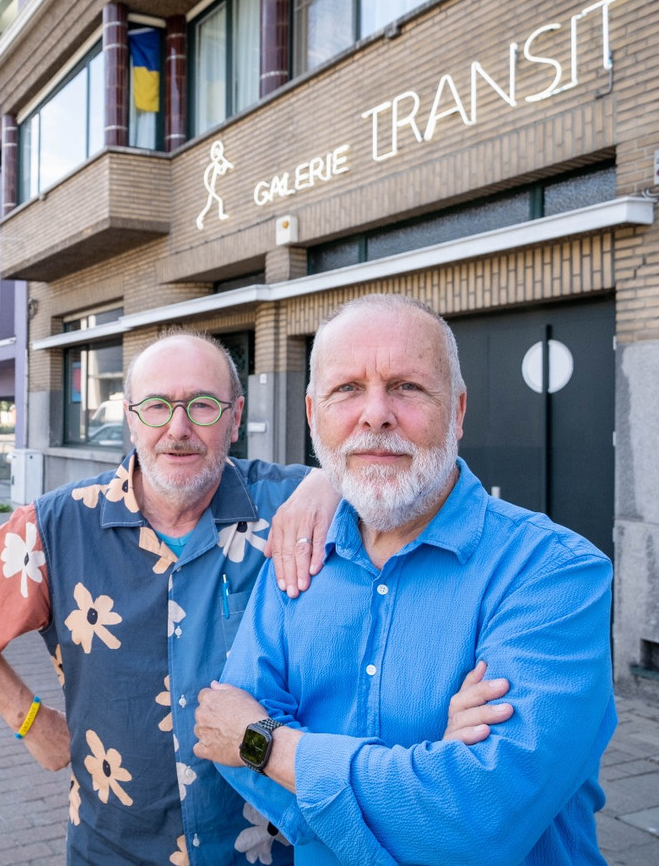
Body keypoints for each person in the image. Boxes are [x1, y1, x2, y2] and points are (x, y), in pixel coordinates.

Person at [193, 294, 616, 865]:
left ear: (459, 411)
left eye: (407, 387)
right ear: (313, 414)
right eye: (347, 389)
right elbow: (228, 738)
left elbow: (478, 819)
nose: (375, 414)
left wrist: (269, 746)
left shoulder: (554, 574)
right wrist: (424, 783)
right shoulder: (297, 552)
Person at [0, 329, 354, 864]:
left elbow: (399, 475)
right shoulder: (60, 525)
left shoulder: (290, 506)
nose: (178, 429)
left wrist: (333, 476)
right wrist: (28, 721)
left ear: (235, 417)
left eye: (202, 406)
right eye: (156, 406)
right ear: (130, 417)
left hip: (267, 852)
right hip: (113, 849)